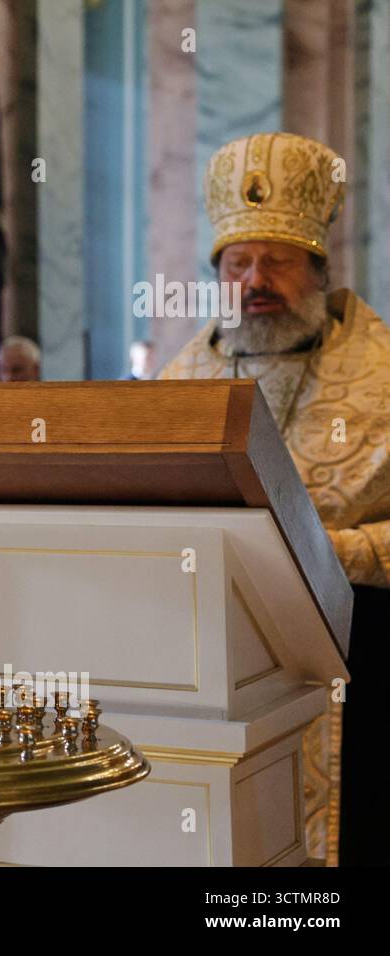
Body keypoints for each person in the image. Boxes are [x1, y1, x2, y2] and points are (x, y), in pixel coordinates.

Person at [159, 132, 390, 866]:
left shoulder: (381, 373)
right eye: (238, 263)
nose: (256, 279)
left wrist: (337, 551)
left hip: (360, 655)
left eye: (278, 262)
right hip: (211, 667)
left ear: (317, 271)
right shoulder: (178, 382)